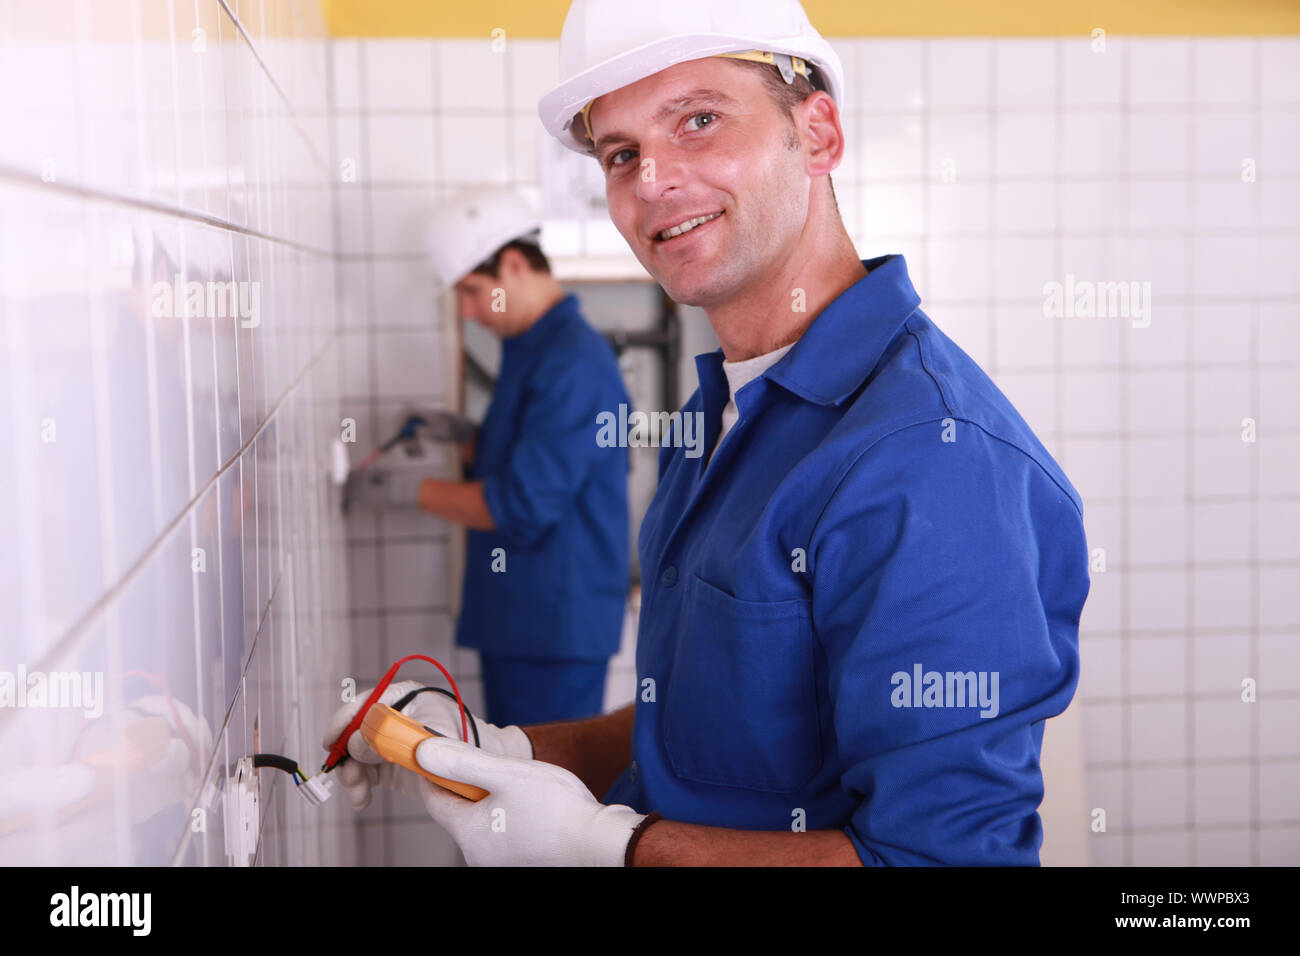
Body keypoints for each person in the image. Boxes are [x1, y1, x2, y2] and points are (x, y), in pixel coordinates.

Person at [325, 0, 1090, 866]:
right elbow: (700, 718)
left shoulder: (931, 461)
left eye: (698, 119)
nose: (651, 180)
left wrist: (612, 845)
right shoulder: (723, 411)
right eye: (621, 153)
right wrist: (507, 753)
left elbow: (940, 863)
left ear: (820, 133)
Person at [360, 186, 631, 727]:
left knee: (545, 797)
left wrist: (403, 490)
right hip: (527, 619)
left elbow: (523, 503)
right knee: (519, 784)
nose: (468, 312)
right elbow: (530, 458)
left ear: (513, 265)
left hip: (553, 627)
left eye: (473, 292)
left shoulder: (572, 363)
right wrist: (463, 436)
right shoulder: (530, 348)